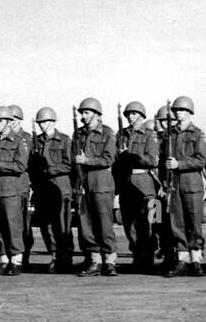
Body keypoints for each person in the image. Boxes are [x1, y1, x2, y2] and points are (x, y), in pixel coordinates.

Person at [71, 98, 117, 276]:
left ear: (96, 114)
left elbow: (108, 159)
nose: (83, 116)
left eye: (86, 112)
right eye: (81, 113)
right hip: (84, 184)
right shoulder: (79, 134)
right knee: (85, 224)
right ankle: (94, 260)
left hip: (101, 183)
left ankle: (110, 261)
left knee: (104, 223)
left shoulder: (107, 133)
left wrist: (87, 160)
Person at [162, 96, 205, 277]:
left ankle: (196, 259)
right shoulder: (169, 134)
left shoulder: (196, 134)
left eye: (180, 110)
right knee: (176, 222)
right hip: (174, 183)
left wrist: (179, 164)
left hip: (191, 182)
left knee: (194, 221)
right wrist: (164, 182)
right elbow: (162, 161)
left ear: (189, 112)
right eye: (175, 110)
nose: (177, 113)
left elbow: (201, 160)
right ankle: (183, 259)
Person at [114, 101, 158, 273]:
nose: (130, 116)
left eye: (133, 113)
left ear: (141, 115)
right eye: (128, 114)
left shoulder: (148, 135)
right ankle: (137, 255)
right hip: (126, 182)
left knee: (148, 221)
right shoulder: (121, 134)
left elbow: (152, 160)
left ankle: (149, 256)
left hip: (144, 182)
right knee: (128, 223)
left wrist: (133, 157)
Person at [0, 106, 29, 275]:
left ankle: (16, 260)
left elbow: (20, 166)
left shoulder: (19, 141)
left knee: (13, 225)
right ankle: (4, 258)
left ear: (9, 122)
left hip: (11, 189)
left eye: (0, 121)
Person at [29, 107, 74, 273]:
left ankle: (66, 257)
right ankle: (54, 256)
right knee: (46, 226)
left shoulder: (63, 139)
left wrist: (49, 169)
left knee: (63, 224)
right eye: (40, 122)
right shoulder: (36, 141)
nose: (42, 125)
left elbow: (69, 164)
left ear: (53, 122)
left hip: (60, 187)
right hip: (43, 189)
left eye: (46, 122)